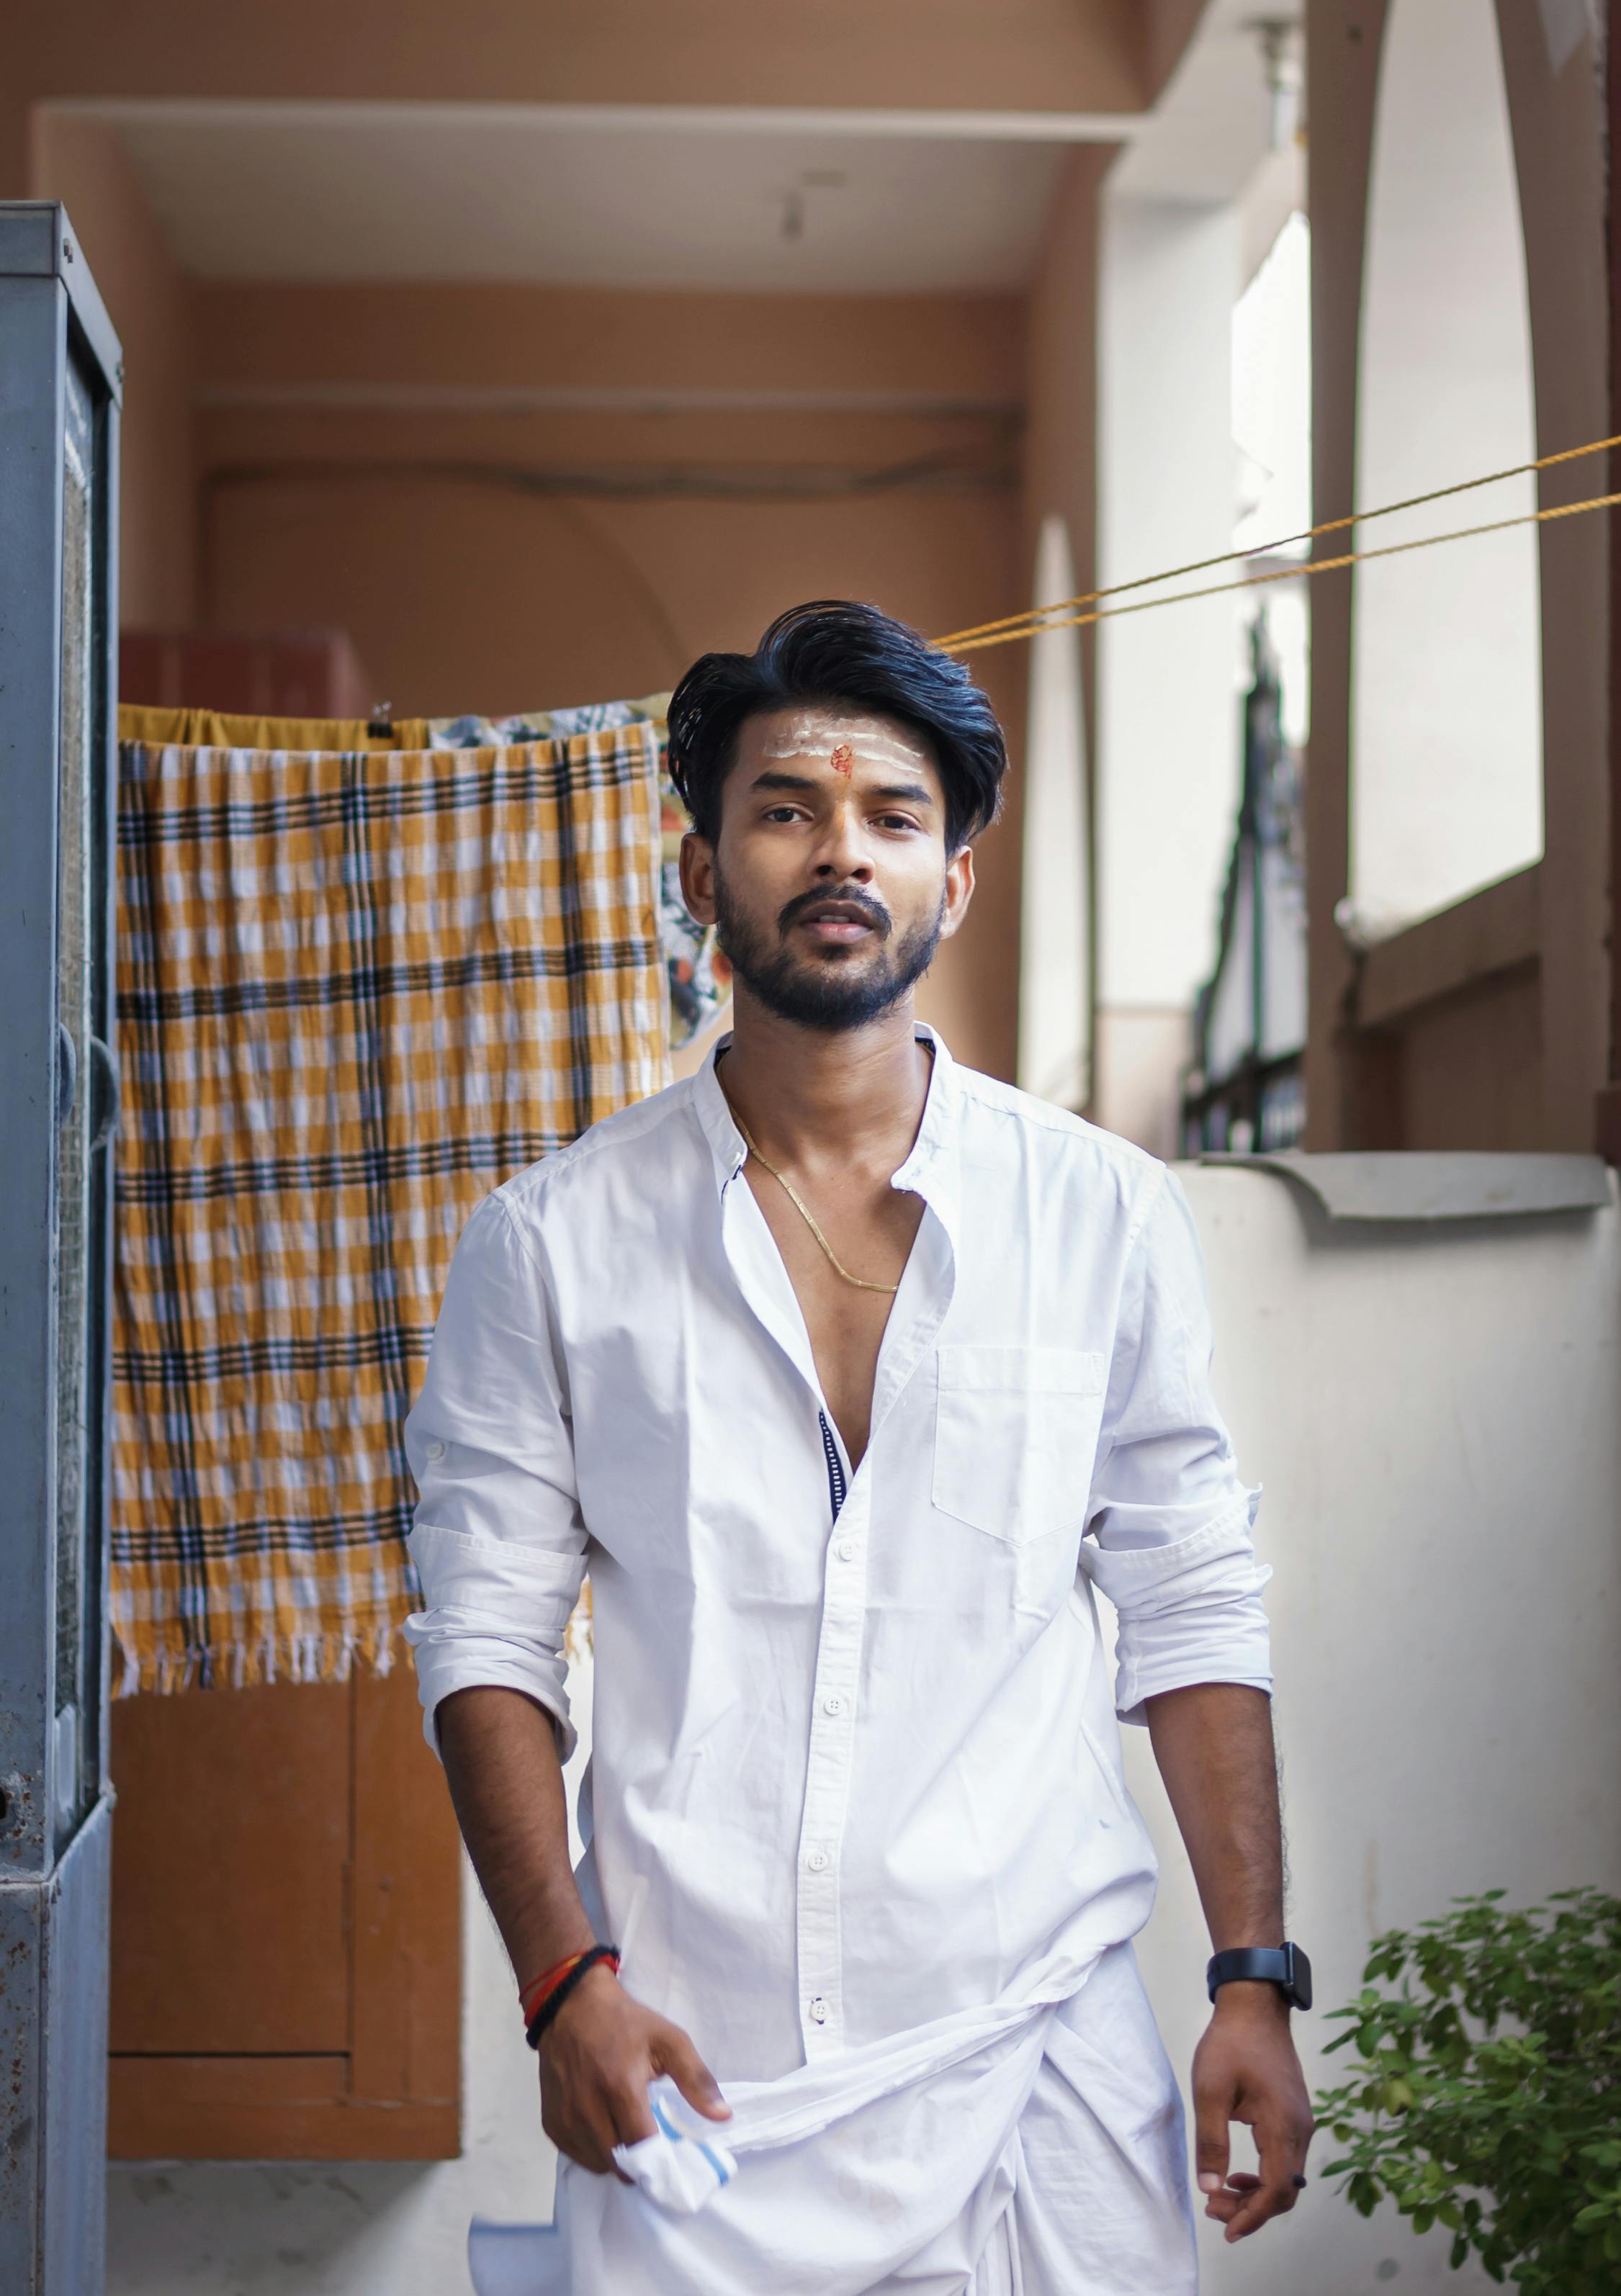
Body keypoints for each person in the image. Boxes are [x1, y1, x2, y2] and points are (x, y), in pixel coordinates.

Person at [404, 601, 1314, 2295]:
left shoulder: (1100, 1212)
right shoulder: (553, 1242)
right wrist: (559, 1983)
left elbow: (1190, 1592)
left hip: (1039, 2049)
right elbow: (485, 1635)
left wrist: (1249, 1973)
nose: (841, 851)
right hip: (686, 2061)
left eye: (893, 815)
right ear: (702, 872)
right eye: (785, 808)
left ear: (950, 879)